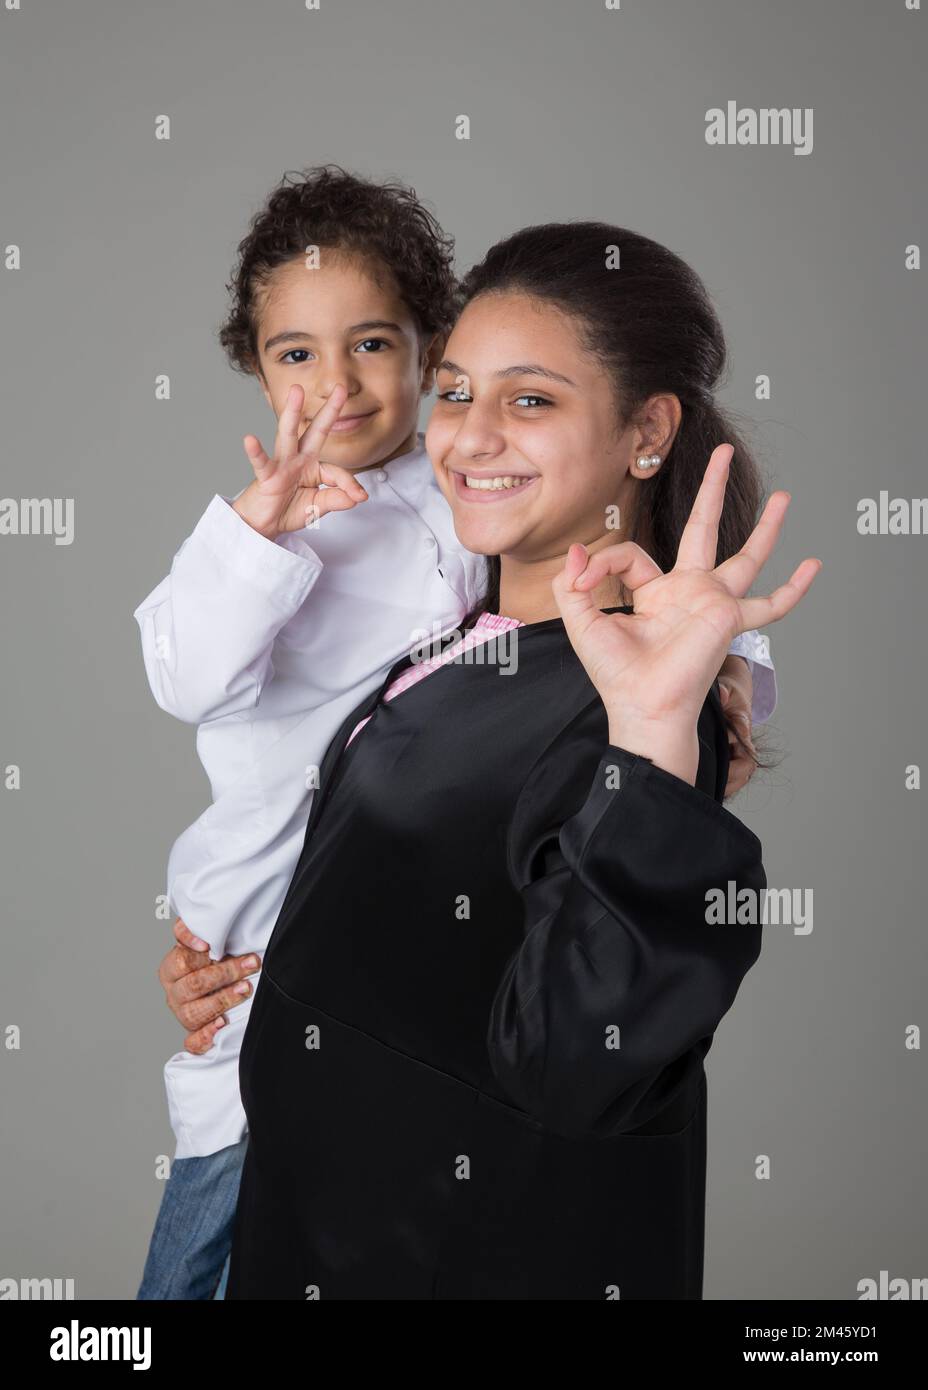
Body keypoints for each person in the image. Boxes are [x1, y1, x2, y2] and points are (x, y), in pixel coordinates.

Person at [134, 174, 773, 1299]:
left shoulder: (623, 706)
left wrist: (673, 717)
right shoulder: (460, 626)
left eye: (529, 401)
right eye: (462, 394)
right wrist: (255, 972)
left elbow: (583, 1059)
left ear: (646, 431)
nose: (470, 438)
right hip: (311, 1206)